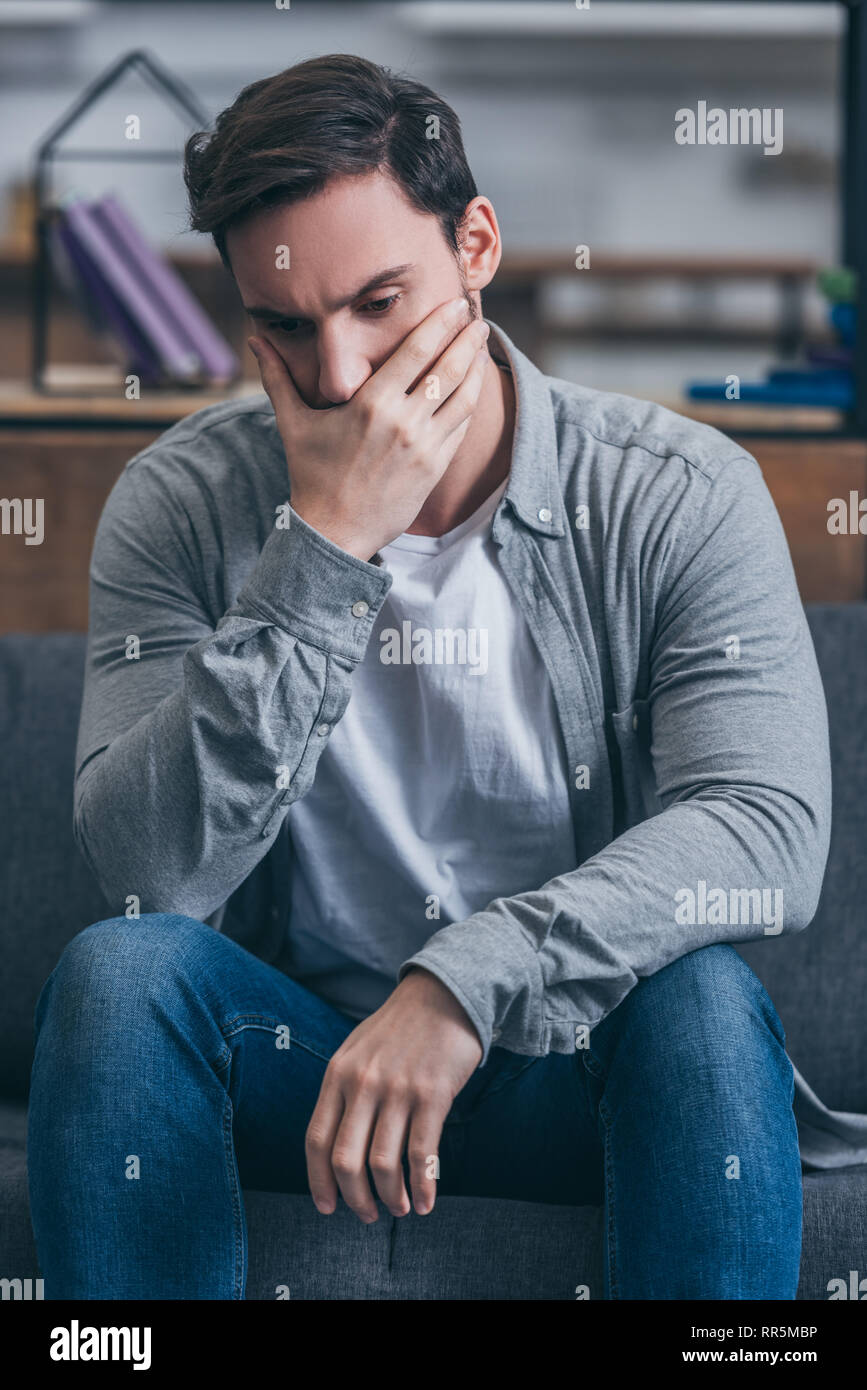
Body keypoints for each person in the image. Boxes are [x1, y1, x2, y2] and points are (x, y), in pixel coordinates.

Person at [28, 53, 833, 1300]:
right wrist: (326, 549)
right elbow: (150, 874)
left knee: (707, 1008)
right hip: (305, 1072)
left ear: (477, 245)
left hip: (573, 1066)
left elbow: (765, 828)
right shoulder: (179, 503)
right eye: (288, 327)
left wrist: (464, 981)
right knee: (118, 976)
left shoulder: (676, 493)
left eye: (382, 303)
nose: (343, 377)